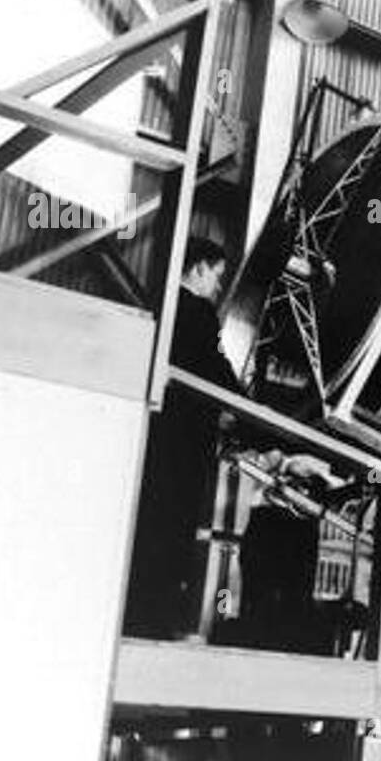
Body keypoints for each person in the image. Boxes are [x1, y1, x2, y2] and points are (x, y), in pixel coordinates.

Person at [124, 236, 277, 639]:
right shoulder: (195, 312)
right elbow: (216, 374)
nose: (218, 287)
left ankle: (138, 613)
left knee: (148, 526)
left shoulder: (160, 307)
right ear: (198, 269)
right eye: (216, 276)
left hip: (155, 436)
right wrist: (257, 425)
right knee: (171, 529)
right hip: (180, 445)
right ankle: (151, 621)